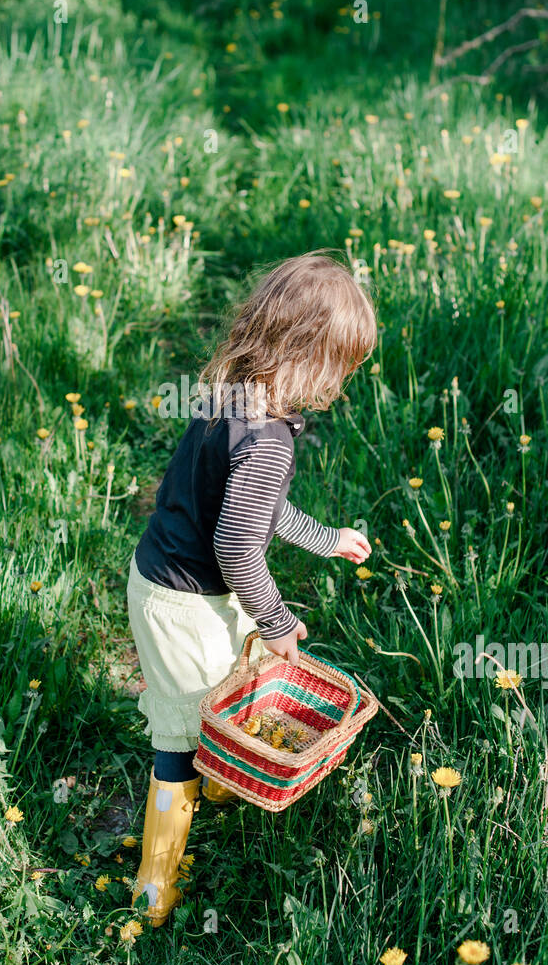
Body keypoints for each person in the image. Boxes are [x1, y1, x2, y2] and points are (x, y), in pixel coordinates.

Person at [126, 250, 377, 924]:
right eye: (341, 367)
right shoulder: (266, 440)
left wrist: (325, 538)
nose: (340, 384)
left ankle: (220, 775)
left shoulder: (234, 392)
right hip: (185, 602)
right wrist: (274, 618)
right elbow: (237, 544)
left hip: (178, 583)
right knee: (177, 740)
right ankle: (154, 882)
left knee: (224, 692)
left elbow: (252, 512)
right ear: (313, 359)